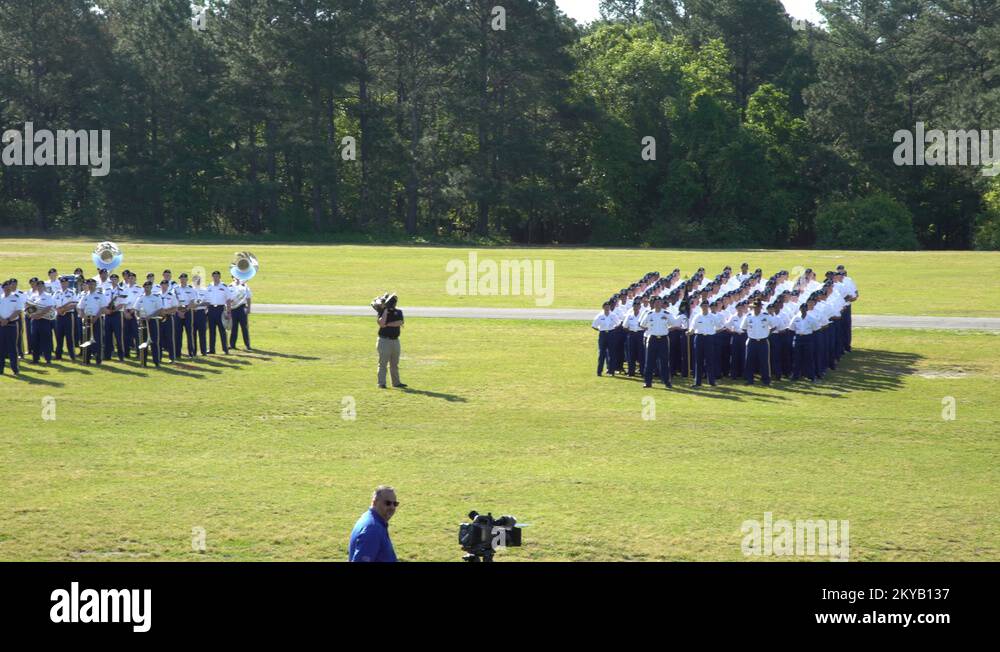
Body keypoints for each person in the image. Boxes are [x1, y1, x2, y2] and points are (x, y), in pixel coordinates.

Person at [348, 486, 399, 562]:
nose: (392, 507)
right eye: (387, 503)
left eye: (395, 504)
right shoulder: (373, 529)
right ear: (374, 502)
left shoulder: (371, 519)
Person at [640, 297, 672, 388]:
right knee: (649, 361)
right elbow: (642, 324)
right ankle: (647, 382)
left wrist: (665, 328)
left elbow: (673, 323)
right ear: (653, 304)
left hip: (663, 339)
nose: (657, 304)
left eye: (659, 302)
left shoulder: (666, 313)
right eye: (656, 302)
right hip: (652, 339)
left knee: (664, 362)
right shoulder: (649, 314)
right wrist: (650, 329)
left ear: (661, 303)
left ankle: (666, 381)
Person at [376, 294, 406, 388]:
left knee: (394, 364)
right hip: (384, 341)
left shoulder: (399, 311)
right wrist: (385, 311)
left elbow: (400, 322)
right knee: (383, 363)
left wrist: (388, 324)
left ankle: (396, 383)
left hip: (395, 341)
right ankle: (381, 383)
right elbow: (381, 323)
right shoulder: (381, 312)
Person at [742, 300, 774, 385]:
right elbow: (743, 327)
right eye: (755, 307)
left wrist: (767, 334)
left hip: (763, 341)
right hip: (752, 341)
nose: (757, 309)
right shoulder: (748, 316)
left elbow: (773, 326)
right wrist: (751, 333)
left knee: (764, 361)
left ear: (761, 307)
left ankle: (766, 380)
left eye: (758, 307)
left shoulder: (766, 316)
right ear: (753, 307)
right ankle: (749, 379)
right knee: (749, 361)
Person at [688, 301, 718, 387]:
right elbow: (692, 328)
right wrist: (689, 332)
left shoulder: (713, 316)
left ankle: (711, 381)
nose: (705, 307)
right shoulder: (697, 316)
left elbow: (719, 325)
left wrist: (712, 331)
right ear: (701, 307)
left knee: (710, 360)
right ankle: (697, 382)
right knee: (698, 360)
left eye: (706, 306)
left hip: (709, 338)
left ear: (708, 306)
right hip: (699, 338)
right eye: (703, 306)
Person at [133, 281, 163, 367]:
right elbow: (136, 310)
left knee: (154, 341)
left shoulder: (156, 297)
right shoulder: (140, 298)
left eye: (149, 287)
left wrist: (150, 316)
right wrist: (138, 318)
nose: (147, 288)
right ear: (144, 288)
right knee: (143, 342)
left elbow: (159, 310)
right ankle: (144, 362)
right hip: (143, 322)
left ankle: (156, 362)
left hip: (153, 321)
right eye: (146, 287)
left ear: (151, 288)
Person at [79, 279, 106, 366]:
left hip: (97, 318)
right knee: (86, 339)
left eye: (92, 284)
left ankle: (98, 359)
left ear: (95, 285)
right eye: (89, 284)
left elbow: (102, 308)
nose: (91, 286)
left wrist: (96, 318)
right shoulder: (85, 295)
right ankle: (86, 359)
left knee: (98, 339)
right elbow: (80, 307)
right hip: (87, 319)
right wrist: (83, 316)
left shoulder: (100, 295)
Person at [28, 284, 57, 364]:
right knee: (34, 340)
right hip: (34, 321)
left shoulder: (48, 296)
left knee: (46, 340)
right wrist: (32, 315)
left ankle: (48, 359)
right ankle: (35, 359)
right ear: (36, 287)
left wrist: (39, 315)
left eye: (41, 286)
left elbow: (49, 307)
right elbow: (28, 307)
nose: (39, 288)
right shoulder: (33, 296)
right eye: (38, 286)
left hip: (45, 320)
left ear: (44, 287)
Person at [204, 271, 232, 354]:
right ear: (212, 277)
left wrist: (229, 311)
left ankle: (225, 349)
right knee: (212, 331)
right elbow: (206, 300)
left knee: (222, 330)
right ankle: (212, 349)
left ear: (220, 277)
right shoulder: (209, 287)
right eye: (214, 276)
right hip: (211, 309)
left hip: (220, 309)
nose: (215, 278)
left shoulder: (224, 286)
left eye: (217, 276)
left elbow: (228, 299)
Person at [790, 303, 817, 382]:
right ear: (800, 309)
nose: (803, 310)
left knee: (809, 358)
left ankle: (811, 376)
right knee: (797, 358)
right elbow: (791, 328)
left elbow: (815, 328)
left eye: (805, 308)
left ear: (807, 309)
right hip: (798, 338)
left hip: (807, 338)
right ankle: (795, 375)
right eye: (802, 308)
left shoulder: (811, 318)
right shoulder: (796, 318)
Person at [173, 273, 198, 357]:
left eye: (184, 278)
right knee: (178, 333)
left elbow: (192, 301)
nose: (182, 280)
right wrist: (179, 311)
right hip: (178, 311)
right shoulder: (175, 289)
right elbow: (173, 301)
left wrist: (186, 310)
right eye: (181, 278)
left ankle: (191, 352)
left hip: (188, 311)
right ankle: (177, 353)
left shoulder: (191, 289)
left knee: (189, 333)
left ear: (187, 279)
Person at [53, 276, 78, 361]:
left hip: (68, 315)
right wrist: (58, 311)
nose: (63, 284)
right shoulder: (56, 293)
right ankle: (58, 355)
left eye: (65, 283)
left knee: (69, 336)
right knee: (58, 336)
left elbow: (74, 304)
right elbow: (53, 304)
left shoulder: (72, 292)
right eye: (62, 283)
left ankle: (72, 355)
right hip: (59, 316)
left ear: (68, 283)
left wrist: (63, 310)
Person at [591, 301, 619, 377]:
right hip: (603, 334)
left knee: (612, 353)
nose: (607, 308)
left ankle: (611, 371)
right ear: (603, 308)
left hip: (611, 334)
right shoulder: (599, 316)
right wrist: (600, 330)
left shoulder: (613, 315)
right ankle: (599, 371)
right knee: (601, 354)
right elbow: (594, 325)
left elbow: (618, 323)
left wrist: (613, 329)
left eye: (608, 307)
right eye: (606, 307)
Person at [0, 281, 21, 375]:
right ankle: (1, 369)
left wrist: (7, 319)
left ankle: (15, 369)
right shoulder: (0, 298)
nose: (8, 289)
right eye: (6, 287)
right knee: (1, 348)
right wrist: (2, 320)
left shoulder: (16, 297)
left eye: (9, 287)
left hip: (11, 325)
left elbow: (18, 311)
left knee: (12, 348)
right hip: (1, 325)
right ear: (3, 288)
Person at [621, 299, 645, 377]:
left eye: (638, 305)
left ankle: (642, 371)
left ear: (640, 306)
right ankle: (631, 372)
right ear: (633, 306)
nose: (636, 306)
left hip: (640, 334)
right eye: (635, 305)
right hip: (631, 335)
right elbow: (624, 326)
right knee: (631, 354)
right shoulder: (629, 315)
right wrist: (631, 331)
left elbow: (646, 326)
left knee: (641, 353)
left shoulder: (643, 315)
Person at [228, 279, 252, 350]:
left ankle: (247, 345)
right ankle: (232, 345)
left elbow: (248, 297)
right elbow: (228, 298)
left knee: (244, 327)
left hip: (242, 308)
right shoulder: (230, 286)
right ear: (232, 277)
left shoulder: (245, 286)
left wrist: (248, 308)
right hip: (233, 309)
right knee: (233, 328)